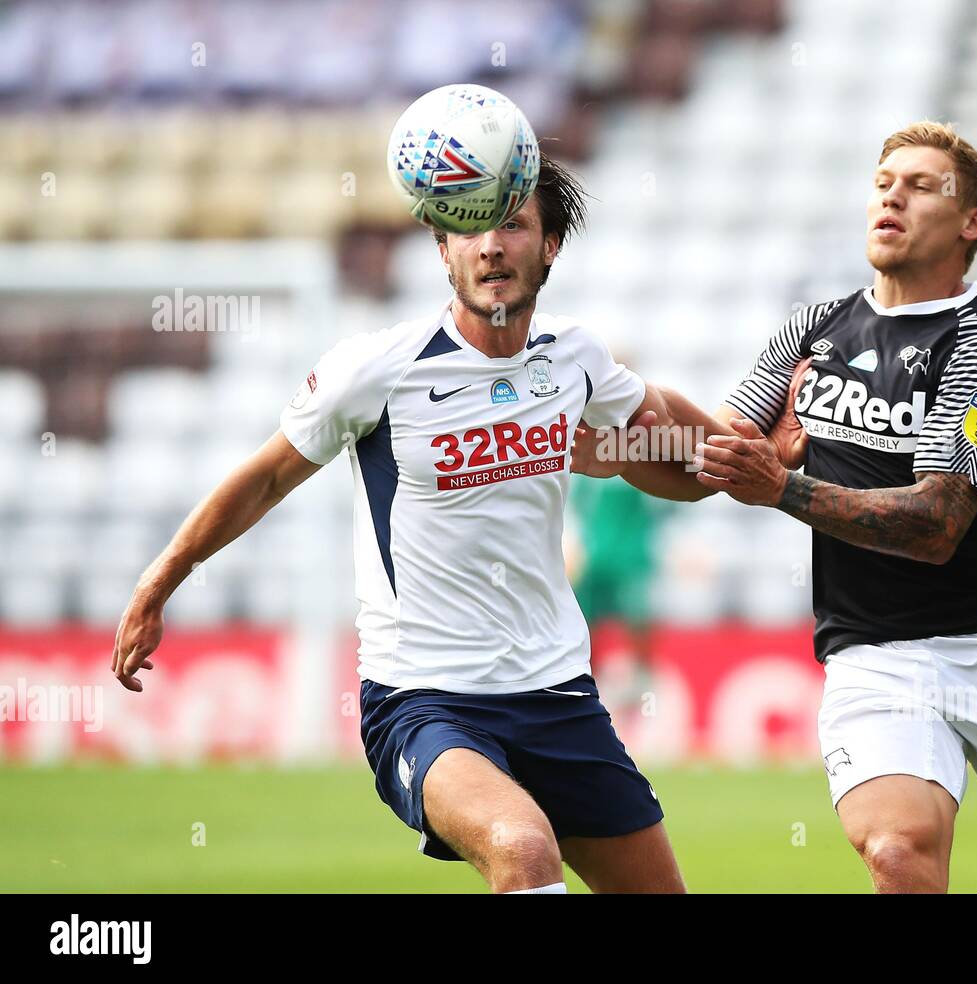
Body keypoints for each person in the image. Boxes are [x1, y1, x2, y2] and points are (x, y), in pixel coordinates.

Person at [110, 154, 726, 894]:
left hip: (559, 693)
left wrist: (745, 459)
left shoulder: (575, 359)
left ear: (550, 245)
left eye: (513, 224)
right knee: (523, 849)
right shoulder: (379, 369)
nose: (490, 244)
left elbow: (670, 459)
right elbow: (267, 476)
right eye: (469, 228)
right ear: (442, 249)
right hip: (426, 698)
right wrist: (158, 583)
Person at [599, 122, 977, 894]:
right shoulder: (815, 331)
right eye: (882, 181)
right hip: (875, 651)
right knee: (897, 852)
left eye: (921, 183)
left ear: (974, 223)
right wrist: (611, 440)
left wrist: (784, 488)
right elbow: (718, 460)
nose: (892, 193)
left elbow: (936, 524)